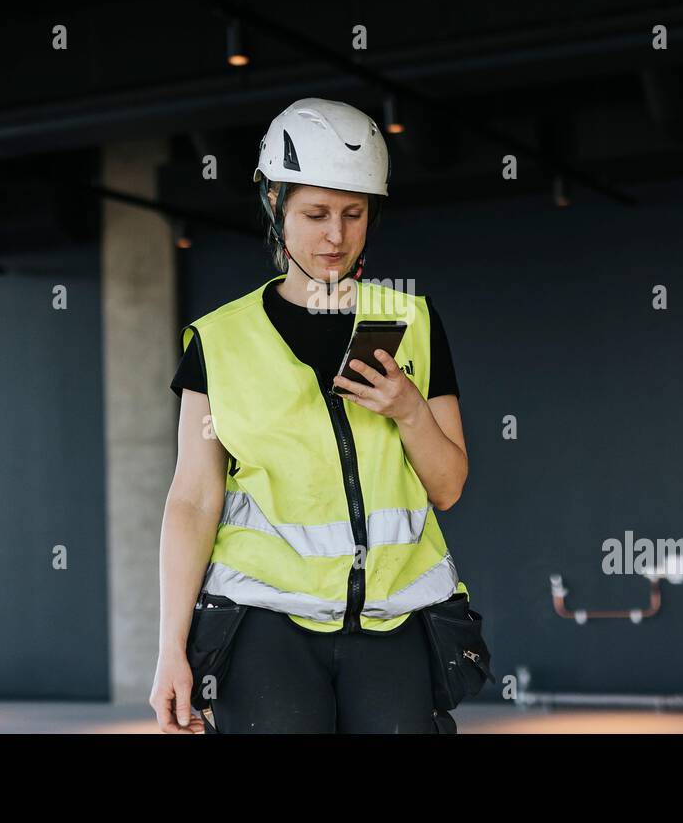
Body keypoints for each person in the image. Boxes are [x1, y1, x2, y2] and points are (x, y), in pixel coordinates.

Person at [150, 97, 470, 734]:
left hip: (395, 618)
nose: (336, 237)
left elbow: (448, 488)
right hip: (264, 620)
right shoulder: (220, 340)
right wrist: (170, 649)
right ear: (275, 204)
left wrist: (409, 409)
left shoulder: (411, 320)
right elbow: (193, 498)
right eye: (315, 214)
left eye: (354, 214)